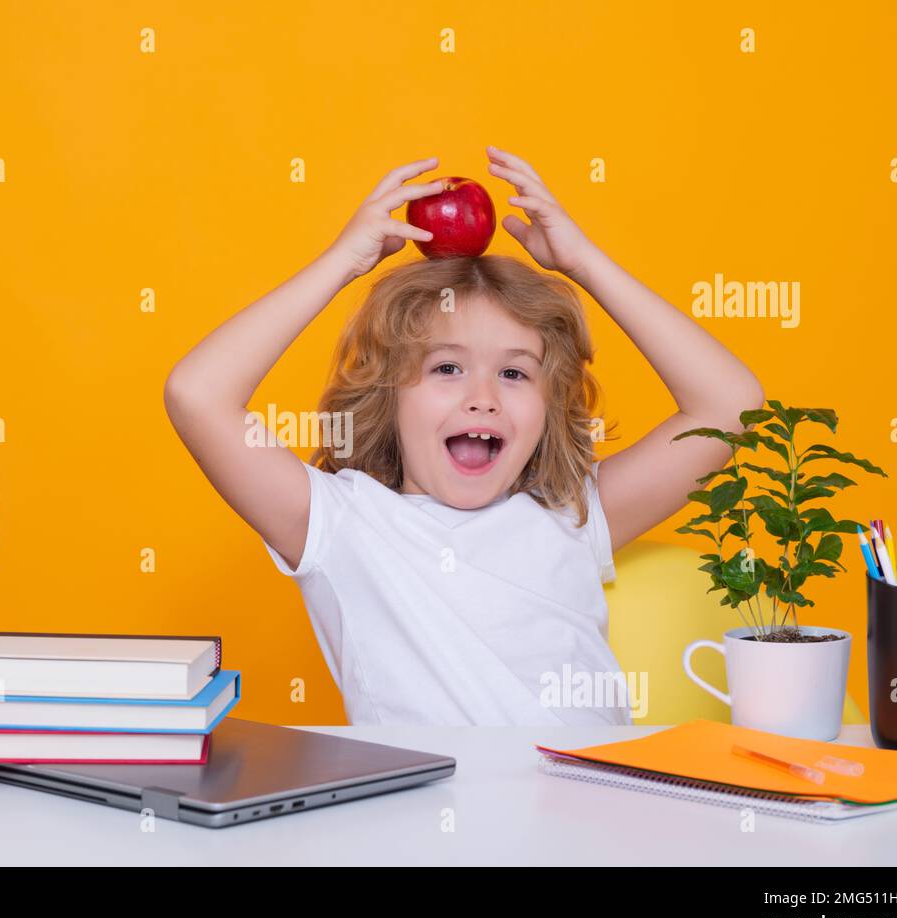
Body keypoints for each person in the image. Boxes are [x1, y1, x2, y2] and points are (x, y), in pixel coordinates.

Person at [164, 148, 764, 725]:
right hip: (423, 820)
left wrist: (585, 264)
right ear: (389, 394)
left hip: (588, 813)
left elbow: (731, 408)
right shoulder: (339, 524)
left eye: (514, 372)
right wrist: (342, 262)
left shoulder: (575, 515)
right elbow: (199, 395)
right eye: (446, 368)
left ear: (549, 407)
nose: (483, 396)